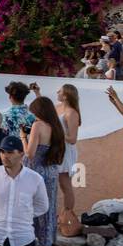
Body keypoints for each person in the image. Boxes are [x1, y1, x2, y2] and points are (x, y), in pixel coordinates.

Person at [24, 96, 66, 246]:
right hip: (51, 169)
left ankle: (35, 242)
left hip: (36, 170)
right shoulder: (56, 126)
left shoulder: (37, 125)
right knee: (49, 206)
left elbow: (30, 153)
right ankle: (47, 241)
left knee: (33, 206)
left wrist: (23, 137)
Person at [54, 83, 81, 217]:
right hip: (60, 150)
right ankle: (65, 214)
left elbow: (72, 138)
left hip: (66, 151)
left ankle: (68, 214)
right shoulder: (63, 109)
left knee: (65, 185)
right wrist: (37, 93)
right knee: (62, 183)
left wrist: (56, 133)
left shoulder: (71, 113)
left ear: (65, 96)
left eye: (60, 91)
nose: (57, 92)